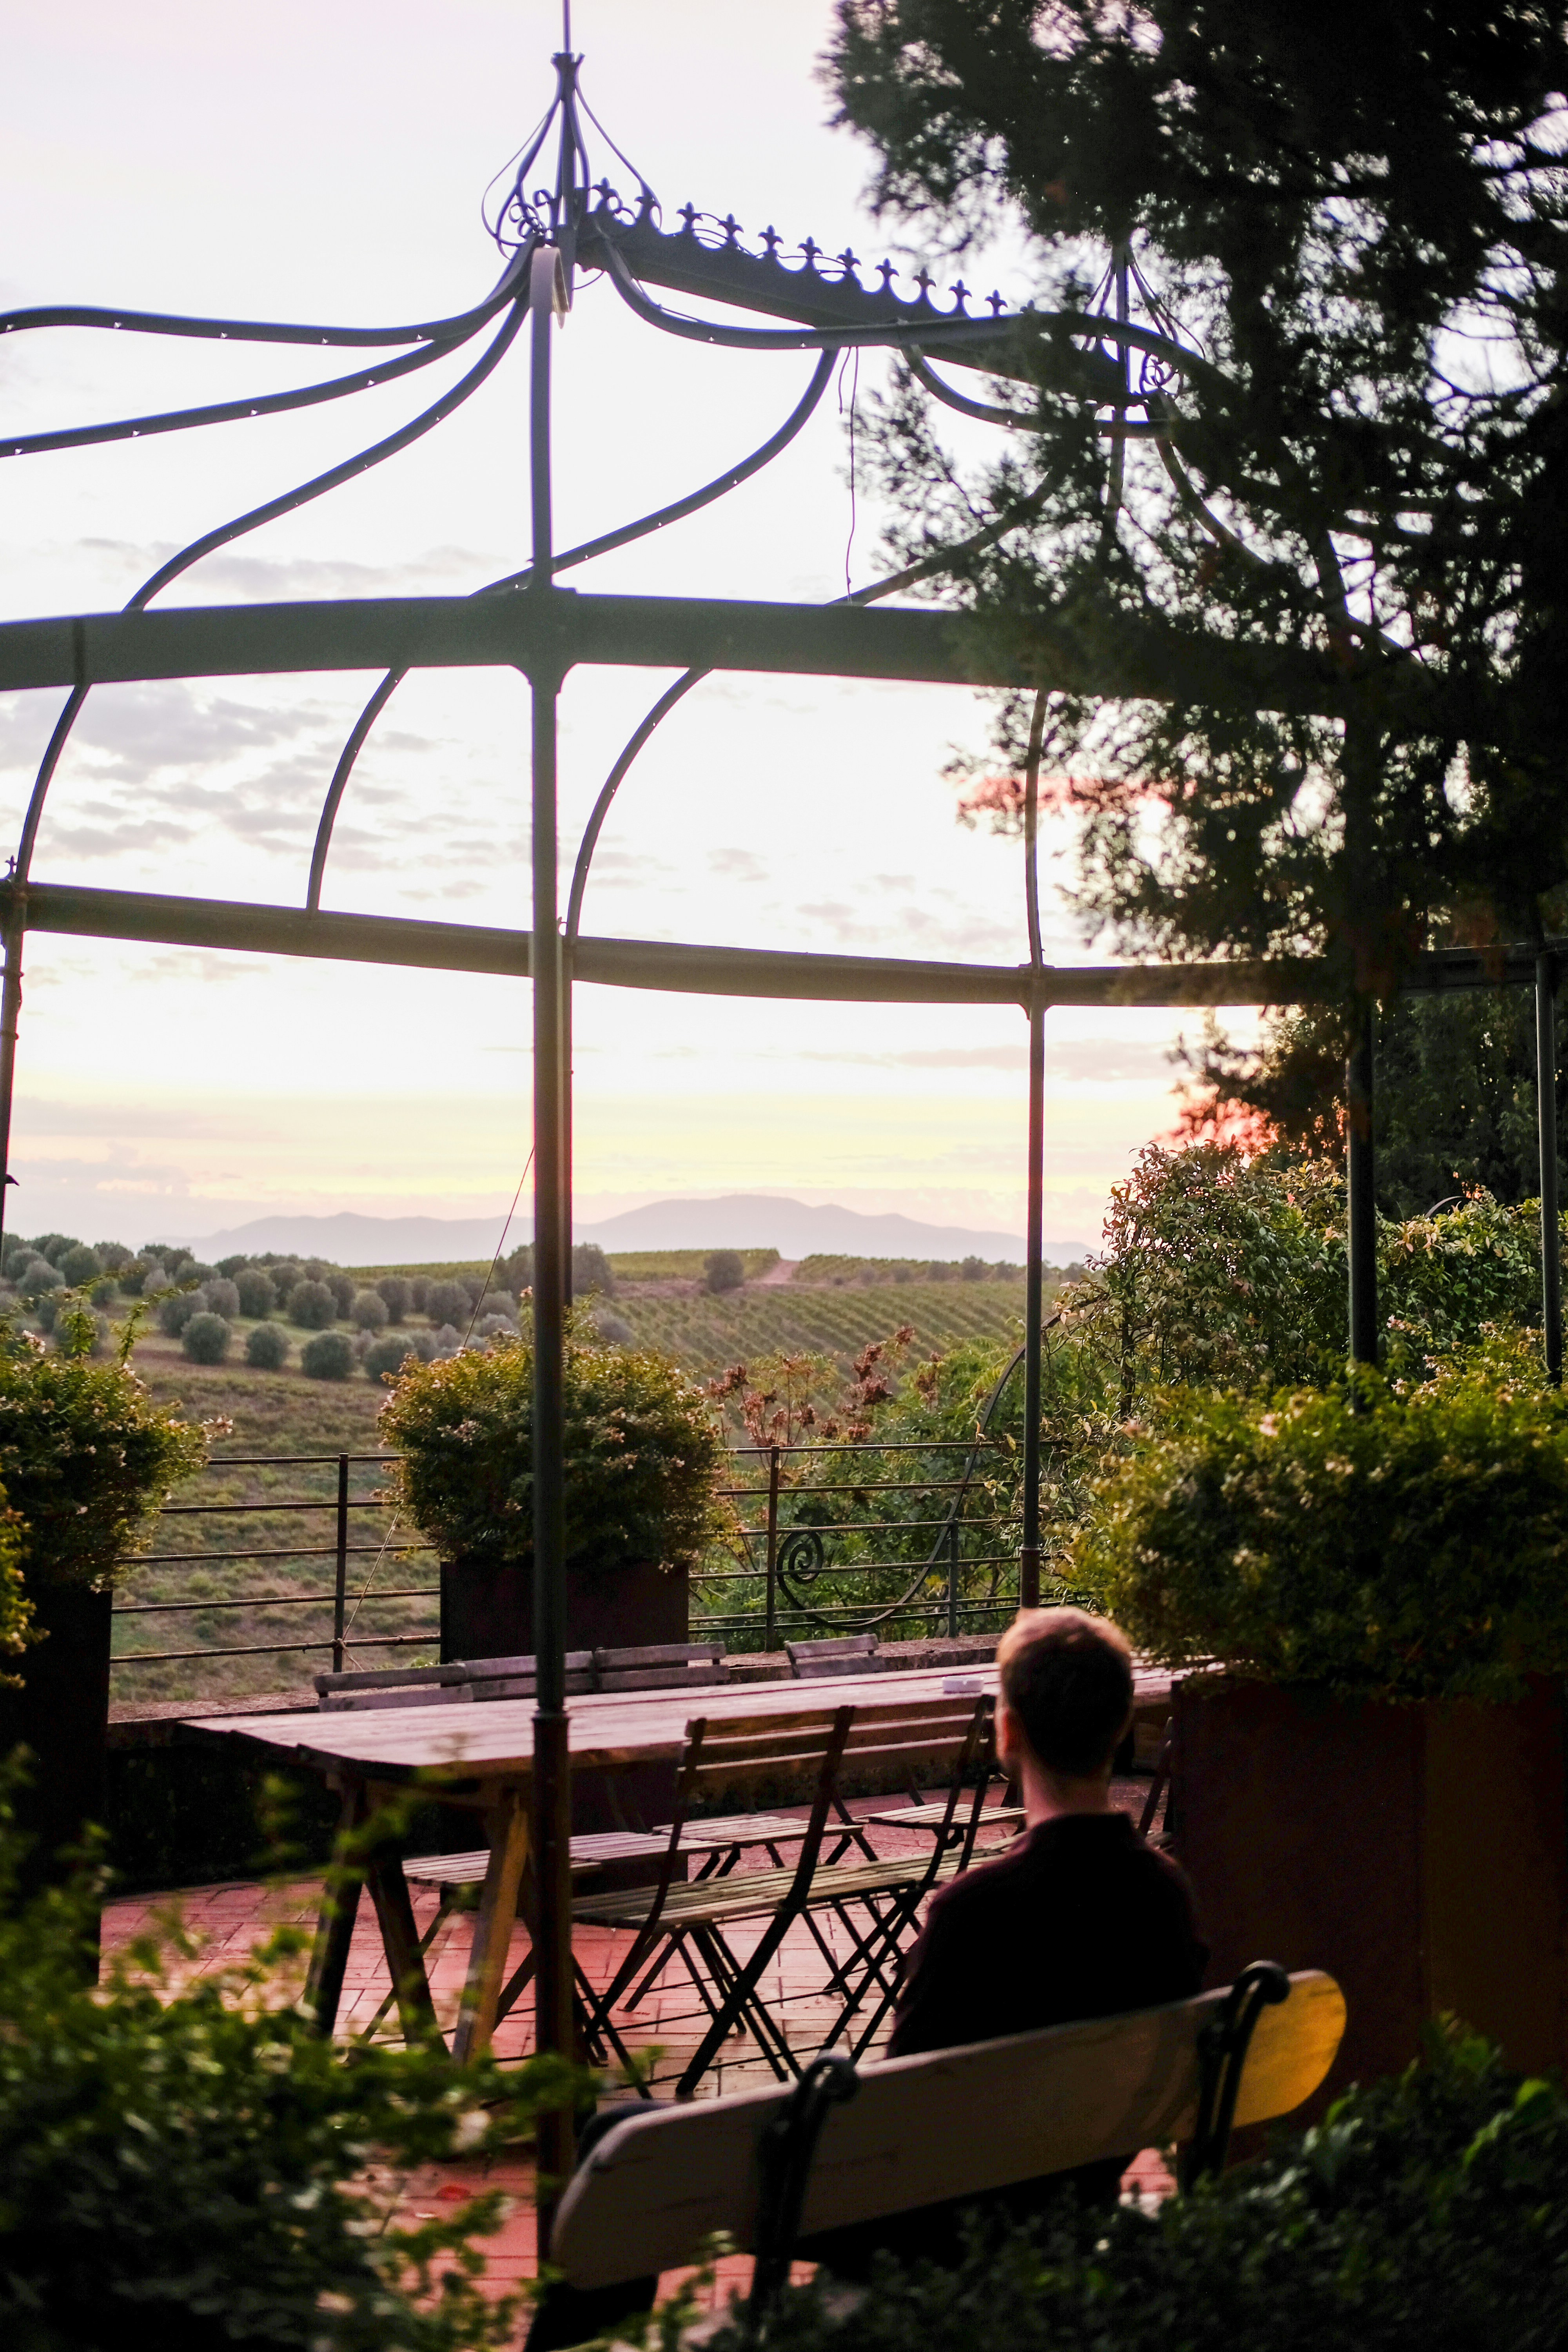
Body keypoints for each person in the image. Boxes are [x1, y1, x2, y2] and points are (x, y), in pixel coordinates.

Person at [800, 1604, 1207, 2275]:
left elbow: (898, 2116)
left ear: (1007, 1732)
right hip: (1079, 2200)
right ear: (1123, 1727)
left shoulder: (974, 1912)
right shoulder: (1165, 1894)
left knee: (616, 2136)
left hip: (949, 2231)